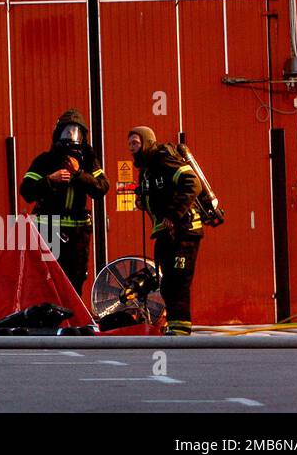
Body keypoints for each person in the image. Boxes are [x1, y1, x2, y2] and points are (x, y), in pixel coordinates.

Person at [19, 109, 109, 295]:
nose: (71, 135)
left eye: (76, 131)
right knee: (46, 280)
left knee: (75, 282)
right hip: (48, 231)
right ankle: (48, 321)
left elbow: (101, 188)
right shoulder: (46, 160)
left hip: (77, 235)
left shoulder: (88, 160)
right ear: (57, 133)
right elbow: (26, 191)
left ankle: (71, 323)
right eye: (66, 131)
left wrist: (78, 174)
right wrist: (50, 180)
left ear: (83, 135)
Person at [129, 126, 202, 336]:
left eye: (135, 142)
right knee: (167, 281)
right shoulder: (147, 171)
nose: (132, 148)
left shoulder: (164, 160)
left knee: (178, 280)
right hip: (165, 232)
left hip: (185, 231)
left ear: (147, 142)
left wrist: (172, 215)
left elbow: (192, 183)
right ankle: (175, 325)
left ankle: (180, 329)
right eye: (130, 144)